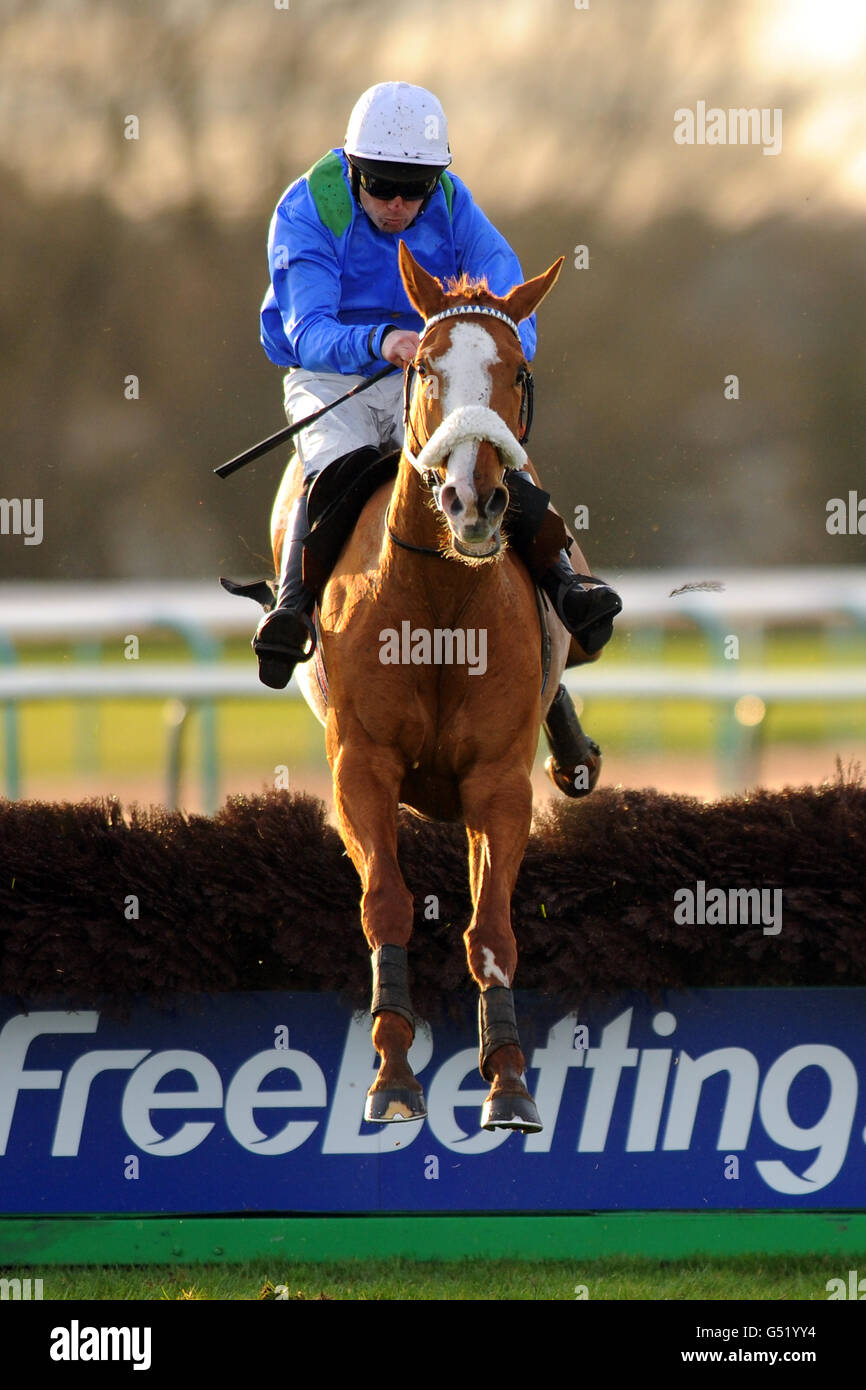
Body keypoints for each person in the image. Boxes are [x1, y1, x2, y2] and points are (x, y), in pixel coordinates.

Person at [253, 80, 621, 690]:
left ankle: (564, 586)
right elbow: (310, 329)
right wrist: (382, 342)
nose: (397, 205)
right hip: (329, 373)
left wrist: (489, 353)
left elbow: (511, 310)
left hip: (425, 371)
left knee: (483, 458)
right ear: (353, 169)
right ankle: (290, 609)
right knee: (329, 468)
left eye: (413, 190)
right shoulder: (306, 211)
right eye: (380, 187)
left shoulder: (453, 204)